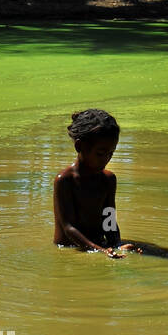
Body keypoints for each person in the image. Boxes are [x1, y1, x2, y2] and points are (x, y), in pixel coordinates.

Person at [53, 108, 140, 256]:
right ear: (79, 146)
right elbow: (68, 228)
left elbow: (109, 219)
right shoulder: (65, 180)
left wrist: (116, 245)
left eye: (111, 153)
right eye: (100, 153)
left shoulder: (108, 180)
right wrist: (100, 250)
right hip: (69, 250)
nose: (106, 159)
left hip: (98, 247)